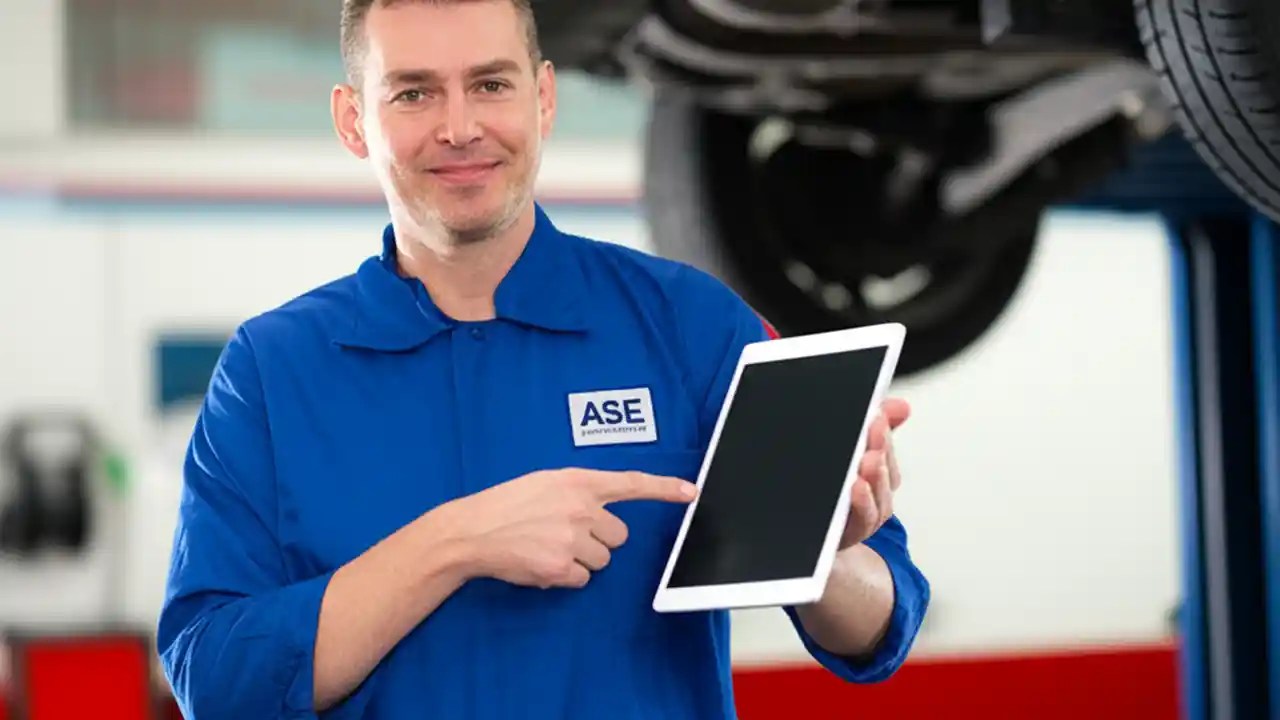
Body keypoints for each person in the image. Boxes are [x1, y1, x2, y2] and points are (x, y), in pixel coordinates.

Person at [155, 0, 930, 717]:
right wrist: (457, 542)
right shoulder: (271, 372)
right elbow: (212, 680)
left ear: (544, 98)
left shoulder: (690, 326)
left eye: (490, 84)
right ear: (353, 120)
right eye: (414, 94)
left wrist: (825, 556)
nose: (460, 127)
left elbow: (883, 624)